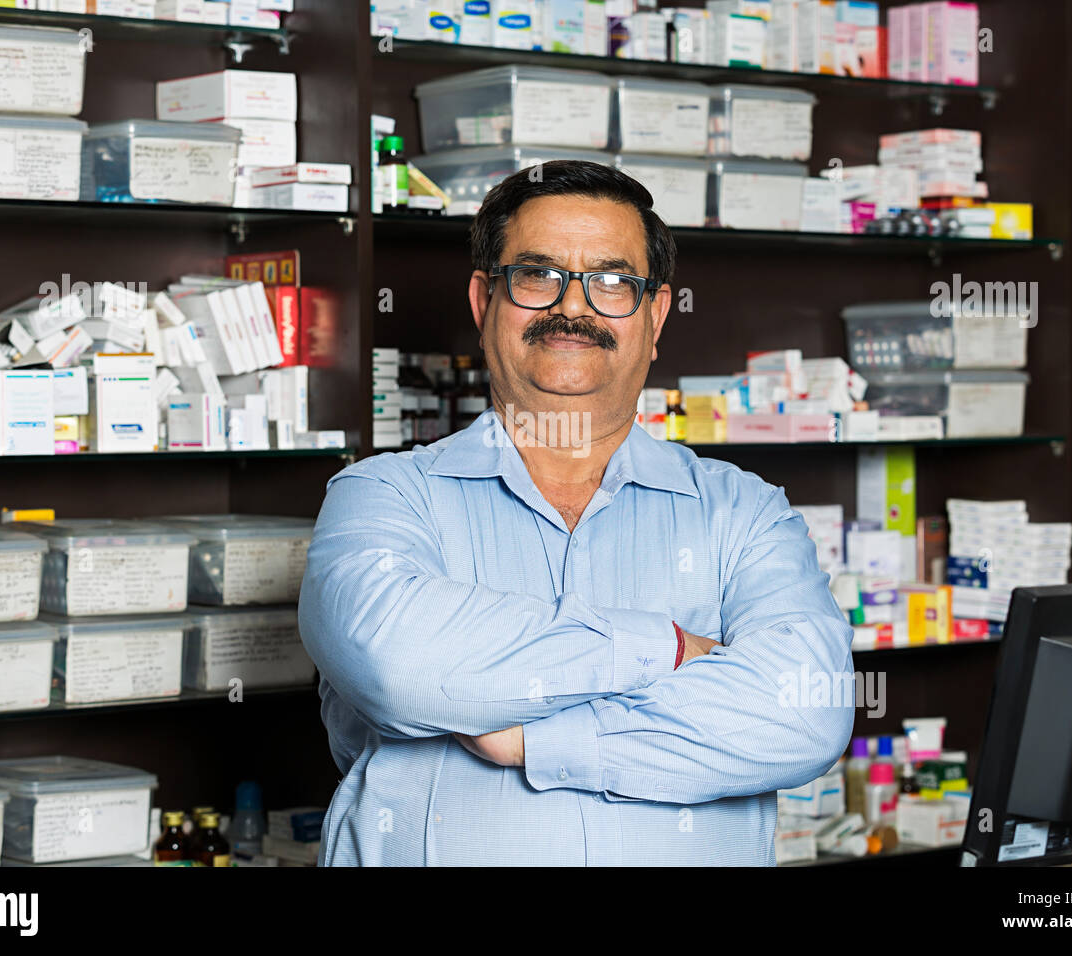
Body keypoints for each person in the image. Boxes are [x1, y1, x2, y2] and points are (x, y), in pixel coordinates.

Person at [299, 160, 854, 866]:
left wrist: (536, 739)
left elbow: (806, 713)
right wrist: (670, 649)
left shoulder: (742, 513)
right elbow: (397, 666)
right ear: (484, 300)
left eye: (614, 282)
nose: (575, 308)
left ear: (655, 316)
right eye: (538, 275)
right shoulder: (382, 496)